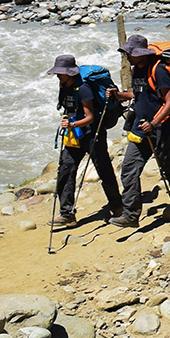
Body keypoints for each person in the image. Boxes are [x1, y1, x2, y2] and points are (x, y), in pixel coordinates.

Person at [110, 34, 170, 228]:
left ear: (143, 54)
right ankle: (131, 214)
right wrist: (119, 95)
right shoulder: (136, 70)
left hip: (160, 129)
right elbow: (138, 94)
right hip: (140, 130)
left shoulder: (158, 70)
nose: (128, 56)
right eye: (127, 53)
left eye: (132, 53)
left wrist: (153, 123)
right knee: (128, 170)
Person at [46, 53, 123, 228]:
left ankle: (117, 207)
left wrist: (72, 123)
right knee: (65, 170)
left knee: (103, 169)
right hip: (74, 135)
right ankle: (67, 214)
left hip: (92, 133)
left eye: (60, 73)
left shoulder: (84, 89)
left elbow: (89, 117)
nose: (57, 76)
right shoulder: (64, 85)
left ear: (70, 73)